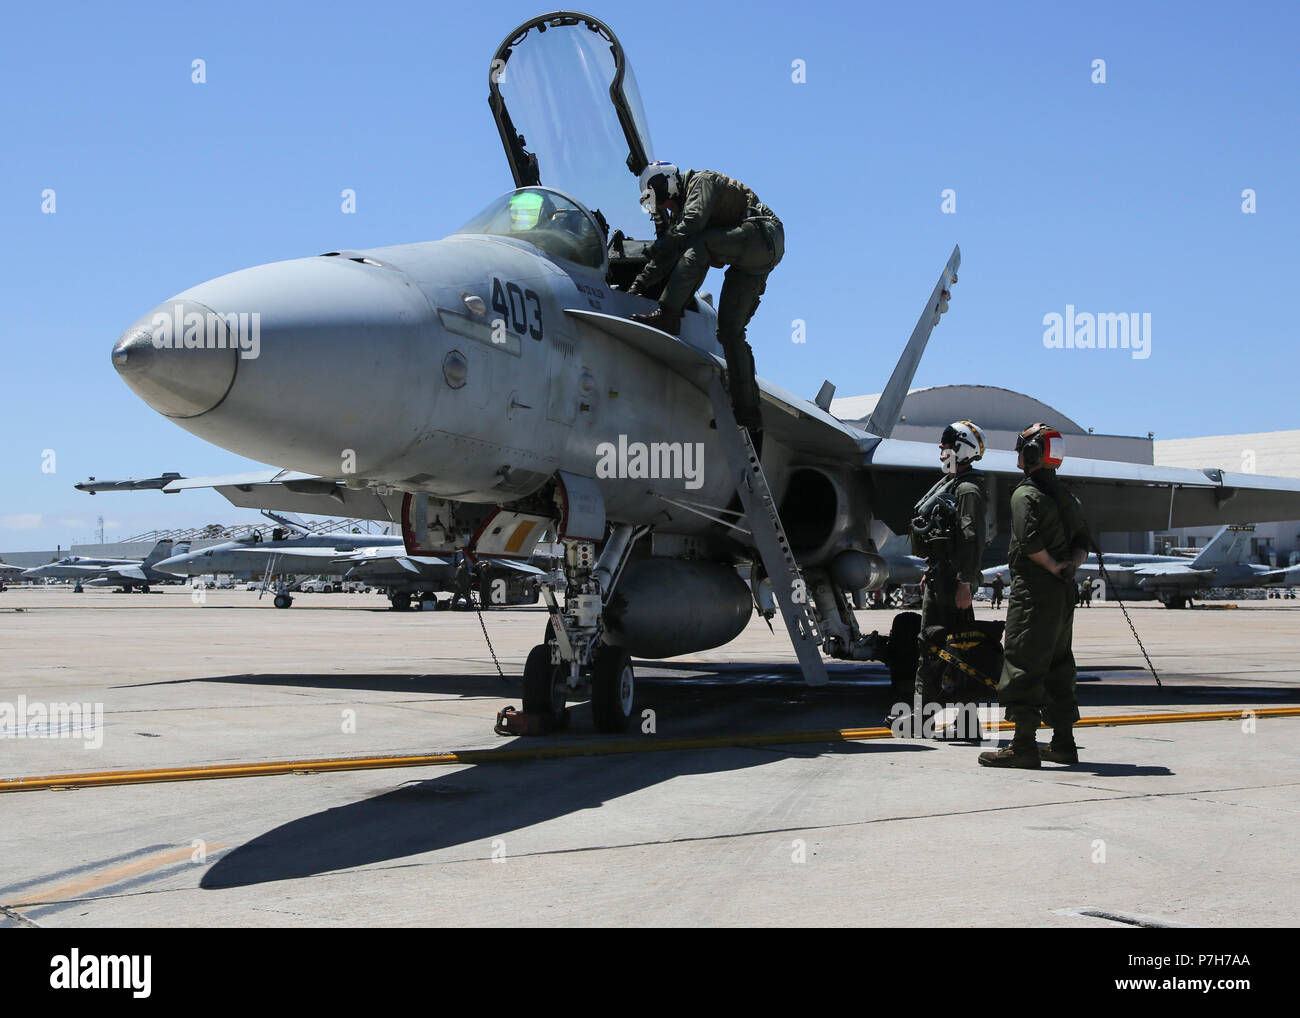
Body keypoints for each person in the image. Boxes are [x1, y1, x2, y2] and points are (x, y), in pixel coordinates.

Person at [626, 162, 784, 443]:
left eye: (662, 199)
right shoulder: (682, 214)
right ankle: (748, 412)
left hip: (762, 234)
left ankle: (669, 314)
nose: (665, 207)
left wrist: (660, 248)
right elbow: (668, 255)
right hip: (756, 254)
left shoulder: (702, 183)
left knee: (698, 245)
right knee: (729, 332)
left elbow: (692, 227)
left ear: (668, 184)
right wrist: (636, 288)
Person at [980, 423, 1091, 769]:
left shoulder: (1024, 495)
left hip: (1033, 596)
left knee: (1022, 664)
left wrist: (1051, 566)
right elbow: (1083, 545)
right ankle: (1063, 743)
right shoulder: (1068, 496)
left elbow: (1028, 543)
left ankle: (1023, 746)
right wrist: (1067, 566)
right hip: (1063, 596)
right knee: (1059, 665)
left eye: (1021, 450)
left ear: (1030, 455)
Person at [892, 421, 987, 734]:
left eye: (946, 443)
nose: (940, 449)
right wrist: (932, 570)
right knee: (947, 647)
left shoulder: (967, 489)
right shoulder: (953, 484)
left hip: (952, 583)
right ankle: (952, 719)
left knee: (946, 646)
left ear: (960, 448)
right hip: (941, 577)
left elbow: (971, 538)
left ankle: (939, 719)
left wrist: (964, 583)